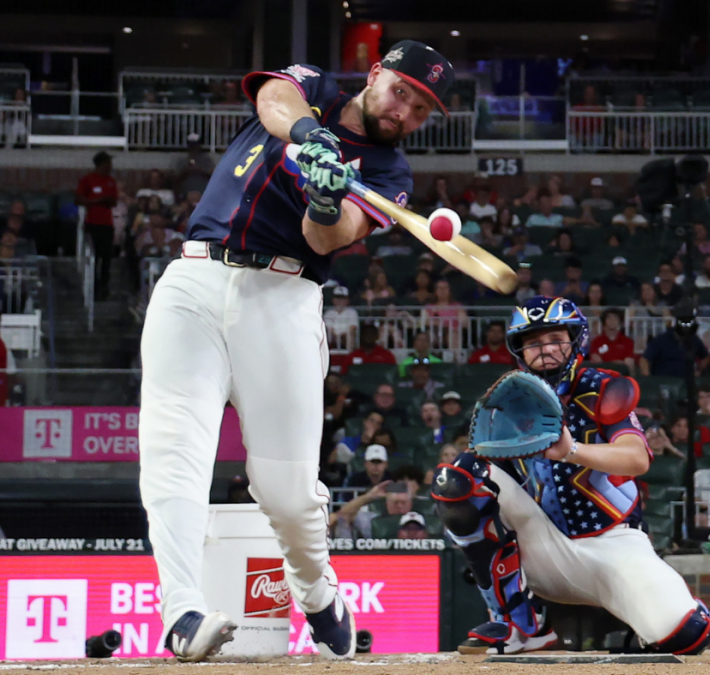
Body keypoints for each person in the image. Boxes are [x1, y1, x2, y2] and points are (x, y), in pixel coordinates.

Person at [137, 42, 454, 661]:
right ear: (375, 75)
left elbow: (326, 237)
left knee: (284, 490)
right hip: (194, 278)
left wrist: (325, 196)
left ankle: (316, 592)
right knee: (173, 449)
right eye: (401, 92)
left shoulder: (390, 176)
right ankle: (181, 610)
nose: (404, 111)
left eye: (420, 108)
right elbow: (272, 96)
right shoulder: (317, 88)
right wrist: (312, 138)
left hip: (282, 296)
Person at [433, 296, 710, 655]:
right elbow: (479, 480)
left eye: (554, 339)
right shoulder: (508, 404)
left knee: (688, 634)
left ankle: (641, 616)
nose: (545, 349)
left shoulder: (603, 387)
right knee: (457, 478)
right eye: (533, 342)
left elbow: (637, 458)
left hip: (615, 542)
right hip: (543, 544)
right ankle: (518, 623)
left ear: (575, 339)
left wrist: (572, 451)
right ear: (520, 351)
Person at [76, 151, 119, 301]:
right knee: (93, 257)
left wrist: (105, 200)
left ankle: (104, 286)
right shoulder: (88, 180)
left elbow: (114, 201)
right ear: (102, 164)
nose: (111, 166)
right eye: (108, 163)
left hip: (107, 224)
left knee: (106, 257)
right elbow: (79, 199)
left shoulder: (111, 181)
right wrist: (98, 200)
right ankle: (93, 286)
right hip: (93, 223)